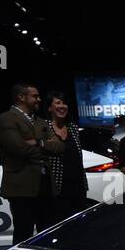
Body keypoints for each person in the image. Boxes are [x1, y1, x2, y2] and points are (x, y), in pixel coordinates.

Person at [0, 82, 64, 244]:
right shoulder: (6, 119)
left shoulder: (40, 121)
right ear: (21, 97)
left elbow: (59, 146)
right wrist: (46, 146)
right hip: (21, 186)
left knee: (48, 230)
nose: (39, 99)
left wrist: (38, 142)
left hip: (45, 184)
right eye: (35, 96)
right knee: (23, 231)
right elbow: (19, 148)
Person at [40, 90, 89, 230]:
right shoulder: (44, 128)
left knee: (80, 225)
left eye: (64, 103)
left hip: (78, 185)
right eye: (58, 103)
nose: (62, 106)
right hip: (56, 188)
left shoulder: (73, 128)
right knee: (60, 227)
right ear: (50, 108)